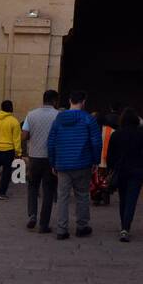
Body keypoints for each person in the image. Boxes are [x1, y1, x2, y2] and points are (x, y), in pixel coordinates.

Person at [47, 88, 102, 239]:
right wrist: (96, 160)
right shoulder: (88, 119)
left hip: (63, 163)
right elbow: (96, 142)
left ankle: (62, 229)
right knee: (83, 195)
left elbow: (51, 142)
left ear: (69, 101)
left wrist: (52, 162)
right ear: (84, 102)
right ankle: (82, 226)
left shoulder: (59, 119)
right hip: (83, 163)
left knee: (62, 196)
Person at [106, 107, 143, 241]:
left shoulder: (116, 135)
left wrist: (111, 169)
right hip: (137, 172)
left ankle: (123, 225)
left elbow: (110, 156)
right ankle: (126, 227)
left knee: (123, 199)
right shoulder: (141, 136)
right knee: (131, 200)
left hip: (121, 171)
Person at [21, 89, 60, 232]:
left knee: (32, 187)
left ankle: (32, 215)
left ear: (43, 99)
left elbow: (24, 136)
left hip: (34, 157)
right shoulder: (59, 116)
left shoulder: (31, 115)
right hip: (50, 159)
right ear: (55, 101)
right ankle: (44, 224)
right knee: (48, 191)